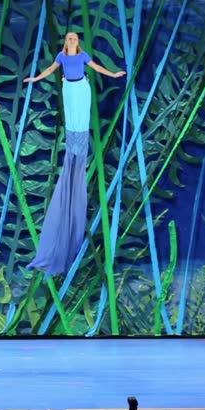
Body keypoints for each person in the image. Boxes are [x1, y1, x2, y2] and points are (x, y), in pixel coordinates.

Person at [23, 32, 125, 275]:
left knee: (80, 123)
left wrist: (112, 74)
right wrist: (35, 78)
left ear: (78, 42)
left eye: (74, 38)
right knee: (73, 128)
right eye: (68, 38)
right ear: (65, 42)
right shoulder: (61, 56)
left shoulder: (82, 56)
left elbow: (97, 67)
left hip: (81, 89)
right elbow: (50, 70)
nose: (71, 41)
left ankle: (78, 152)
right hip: (69, 89)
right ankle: (75, 153)